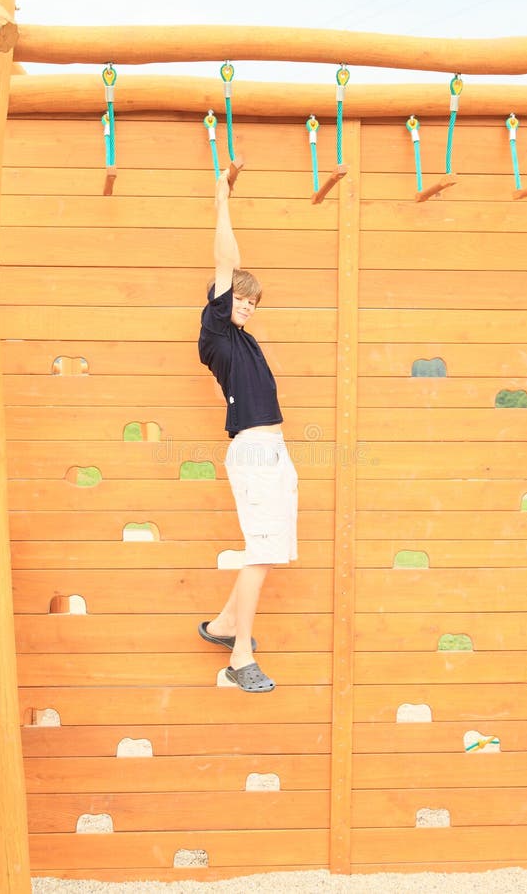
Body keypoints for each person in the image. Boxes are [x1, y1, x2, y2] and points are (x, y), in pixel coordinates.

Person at [197, 169, 298, 693]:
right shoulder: (215, 336)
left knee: (272, 548)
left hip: (274, 452)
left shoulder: (245, 340)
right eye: (240, 298)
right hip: (255, 450)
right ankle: (239, 656)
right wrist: (221, 200)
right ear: (219, 300)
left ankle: (223, 624)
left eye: (254, 302)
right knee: (262, 552)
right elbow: (226, 263)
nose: (247, 306)